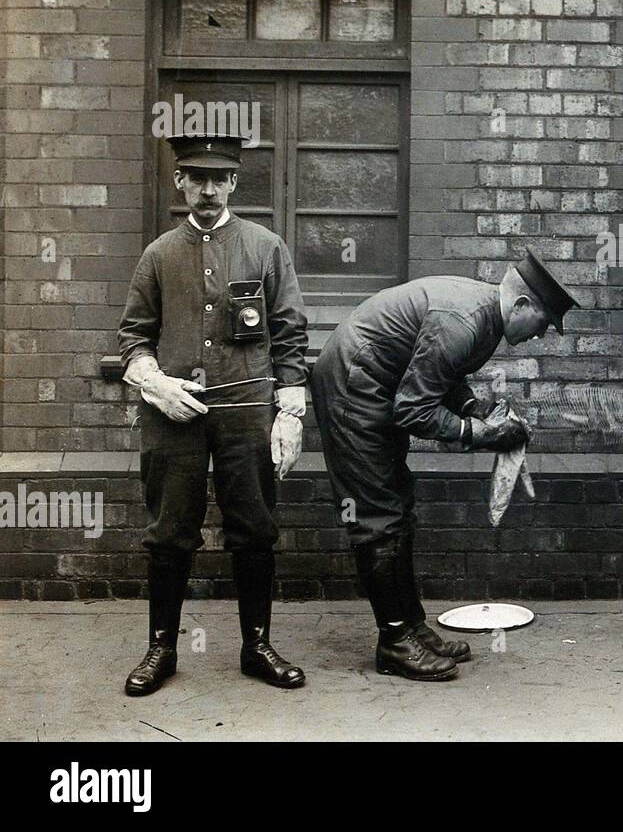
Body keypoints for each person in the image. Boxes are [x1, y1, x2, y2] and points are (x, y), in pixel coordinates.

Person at [312, 249, 578, 681]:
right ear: (522, 305)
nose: (541, 335)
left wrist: (472, 405)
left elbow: (441, 375)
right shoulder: (465, 322)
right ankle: (395, 643)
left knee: (398, 507)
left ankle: (412, 628)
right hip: (353, 389)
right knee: (377, 516)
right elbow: (413, 410)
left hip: (375, 383)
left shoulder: (483, 318)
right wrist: (481, 434)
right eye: (544, 323)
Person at [118, 134, 310, 696]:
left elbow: (291, 337)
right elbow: (132, 340)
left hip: (247, 410)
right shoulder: (158, 254)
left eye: (217, 178)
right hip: (174, 415)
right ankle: (162, 648)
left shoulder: (265, 246)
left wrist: (290, 412)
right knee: (169, 533)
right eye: (195, 178)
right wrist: (155, 384)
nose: (207, 189)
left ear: (233, 183)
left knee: (253, 530)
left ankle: (257, 646)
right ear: (180, 182)